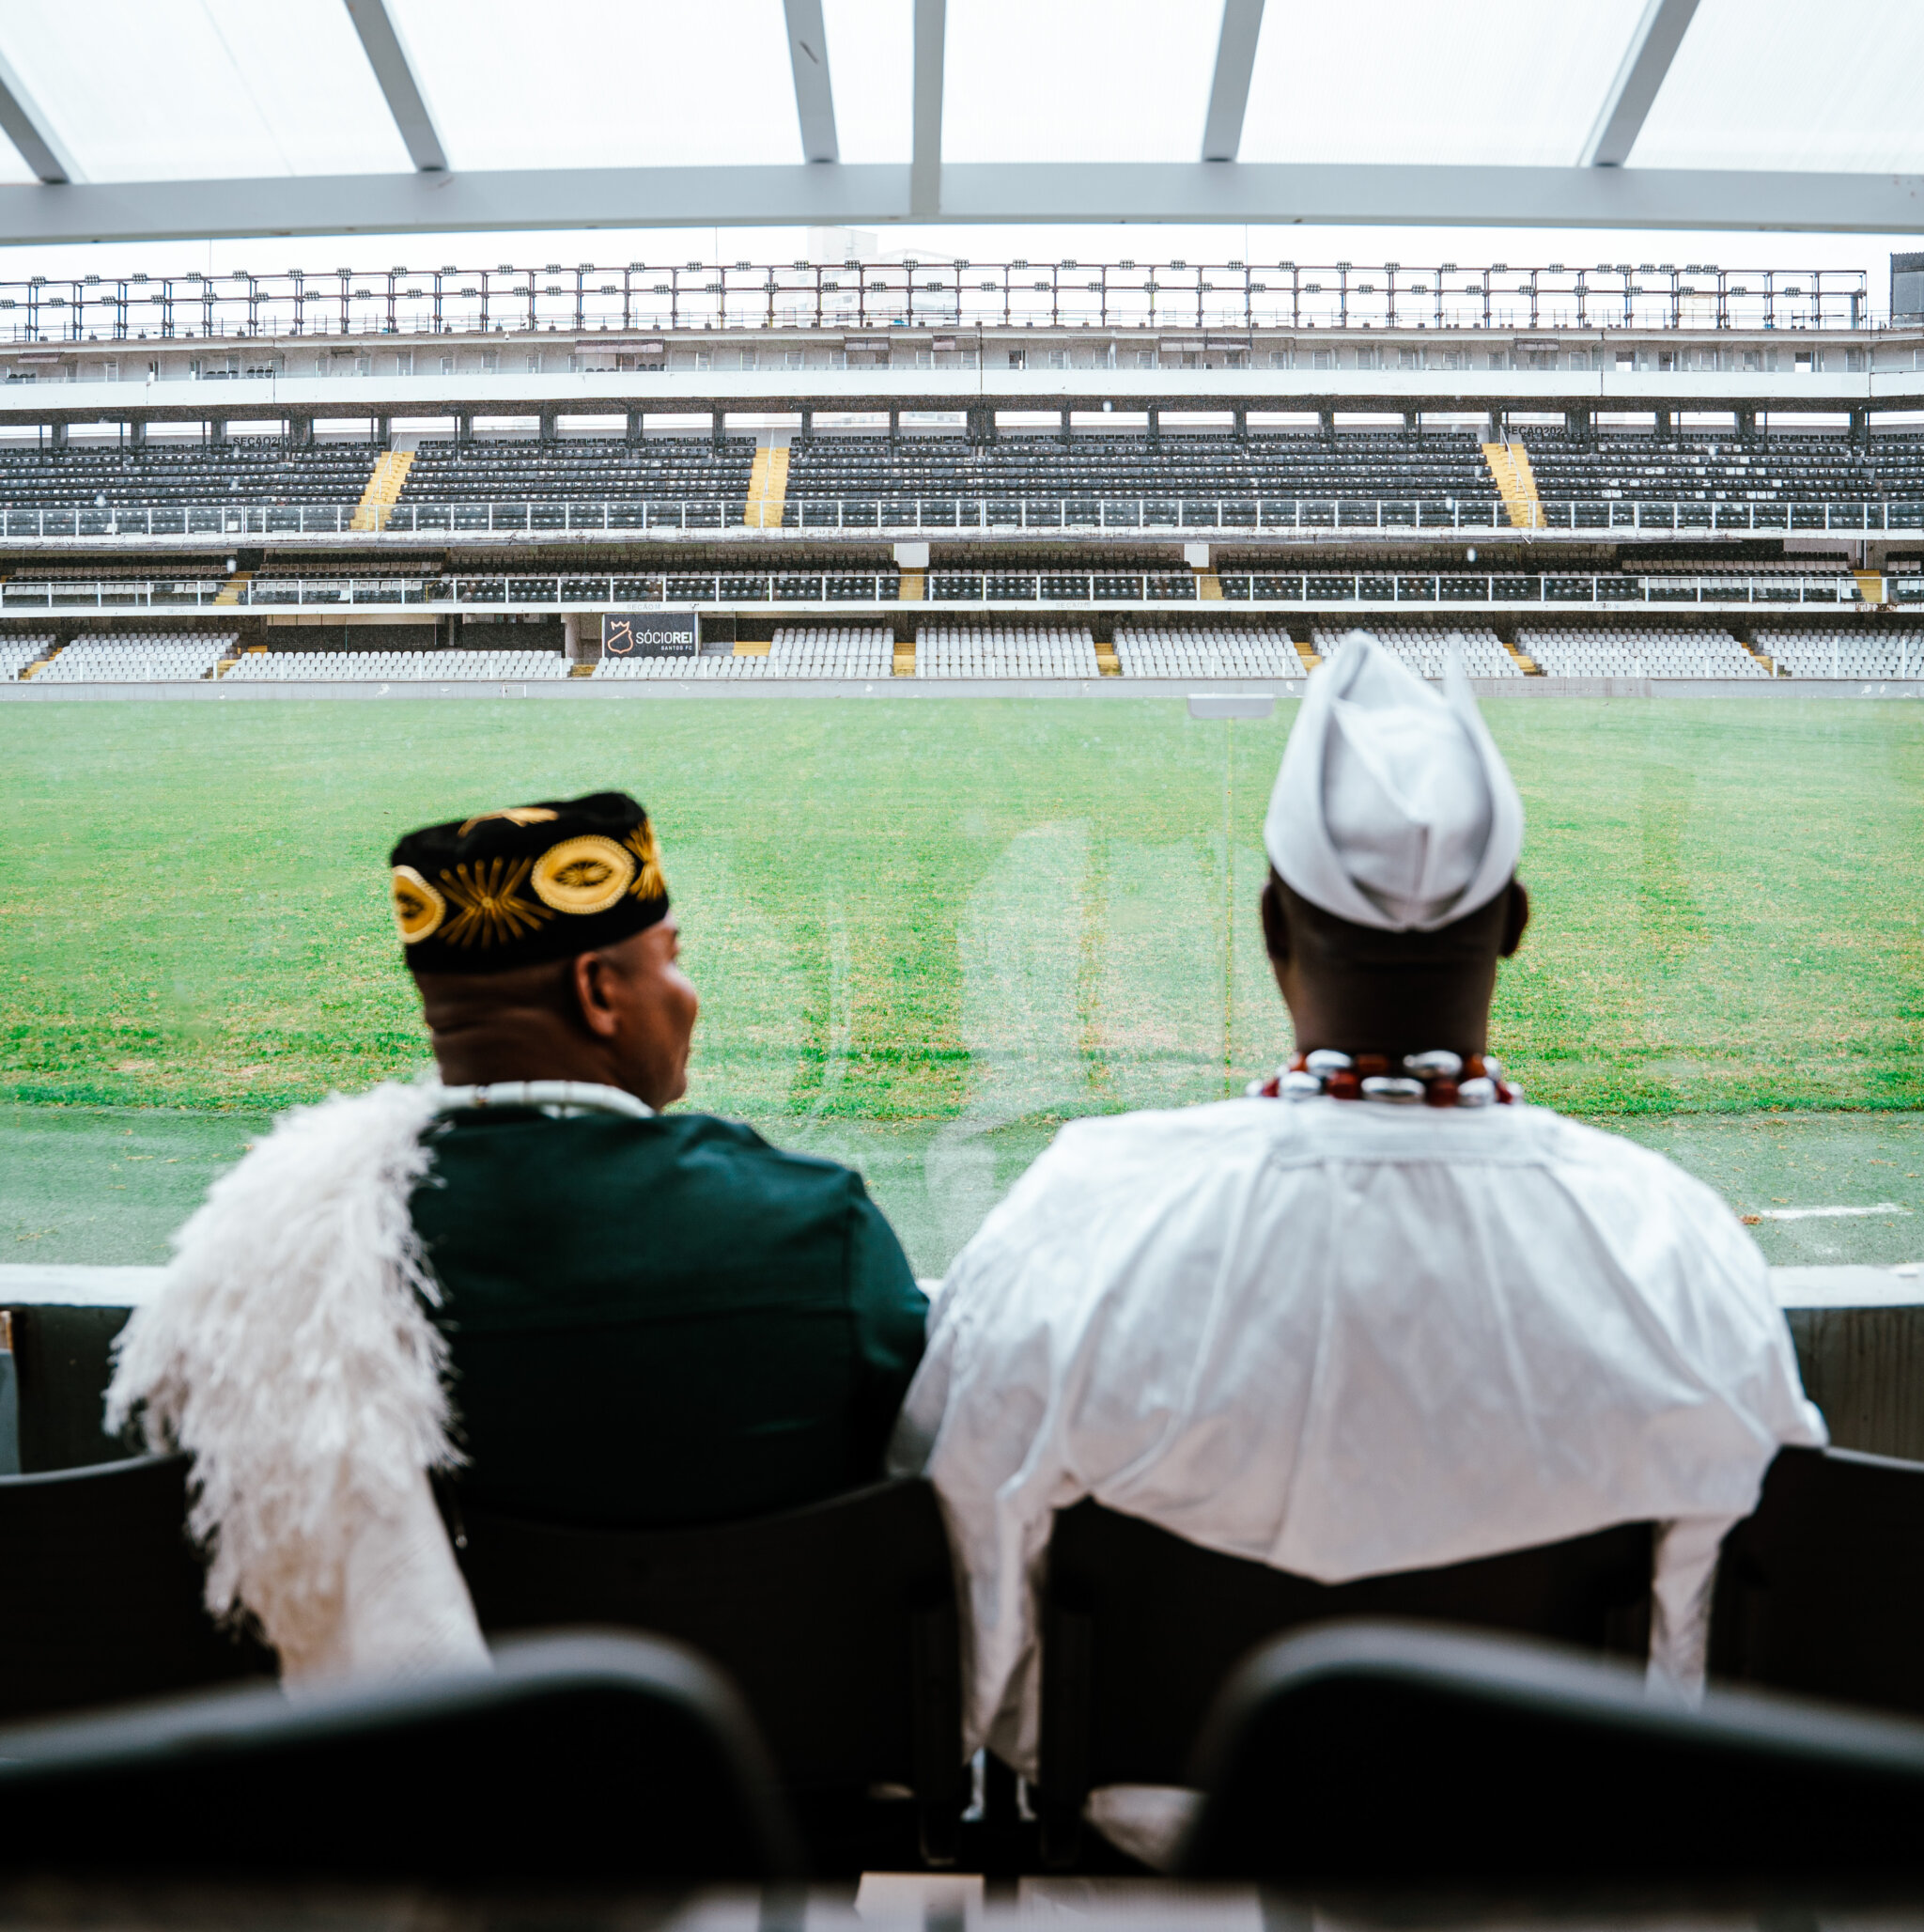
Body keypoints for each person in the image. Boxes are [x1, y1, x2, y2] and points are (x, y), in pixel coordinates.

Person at [891, 631, 1824, 1790]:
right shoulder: (1677, 1246)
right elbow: (1726, 1659)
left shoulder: (1077, 1216)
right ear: (1515, 924)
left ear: (1272, 927)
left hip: (1150, 1883)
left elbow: (966, 1648)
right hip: (1543, 1883)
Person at [110, 791, 926, 1683]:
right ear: (600, 991)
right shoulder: (816, 1227)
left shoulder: (291, 1261)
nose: (687, 991)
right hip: (787, 1792)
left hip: (450, 1786)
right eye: (672, 958)